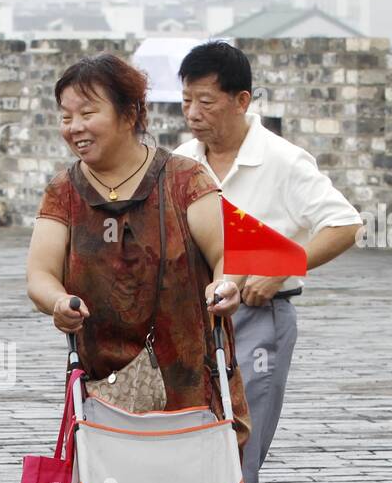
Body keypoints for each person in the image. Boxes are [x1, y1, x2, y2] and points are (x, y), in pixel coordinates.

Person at [175, 41, 361, 483]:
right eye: (185, 100)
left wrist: (277, 270)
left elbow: (344, 224)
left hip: (260, 321)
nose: (194, 112)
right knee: (195, 449)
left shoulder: (281, 160)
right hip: (198, 321)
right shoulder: (183, 161)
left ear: (241, 100)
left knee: (240, 447)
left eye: (205, 101)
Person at [26, 52, 248, 434]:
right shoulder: (63, 191)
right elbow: (40, 274)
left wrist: (226, 284)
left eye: (87, 113)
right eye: (66, 117)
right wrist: (58, 302)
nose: (74, 127)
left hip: (190, 384)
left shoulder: (184, 179)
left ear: (129, 114)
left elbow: (228, 253)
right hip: (103, 385)